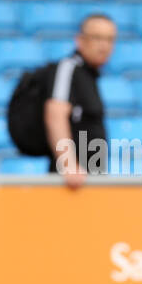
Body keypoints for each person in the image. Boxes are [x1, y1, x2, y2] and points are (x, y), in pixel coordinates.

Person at [43, 14, 115, 188]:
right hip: (70, 185)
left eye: (110, 39)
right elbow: (55, 112)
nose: (104, 46)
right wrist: (69, 165)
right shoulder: (68, 68)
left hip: (89, 182)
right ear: (79, 40)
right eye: (97, 38)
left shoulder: (90, 75)